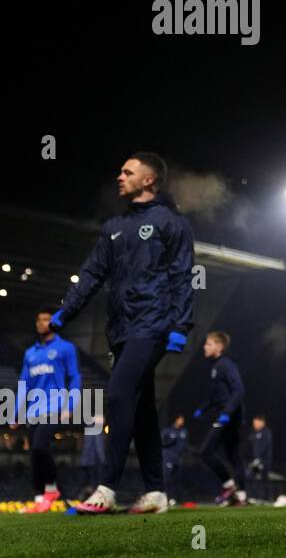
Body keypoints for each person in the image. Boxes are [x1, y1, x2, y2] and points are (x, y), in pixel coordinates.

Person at [52, 151, 194, 515]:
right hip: (121, 327)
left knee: (117, 395)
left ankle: (107, 487)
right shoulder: (114, 226)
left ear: (148, 180)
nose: (119, 176)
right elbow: (91, 274)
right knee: (142, 408)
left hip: (154, 324)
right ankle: (156, 492)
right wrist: (66, 311)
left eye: (127, 171)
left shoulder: (171, 222)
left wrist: (180, 325)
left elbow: (182, 277)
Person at [18, 306, 82, 512]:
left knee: (39, 446)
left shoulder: (65, 348)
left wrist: (71, 404)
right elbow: (24, 384)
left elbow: (75, 376)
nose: (41, 323)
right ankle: (39, 499)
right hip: (32, 411)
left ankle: (52, 488)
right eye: (39, 320)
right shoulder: (30, 353)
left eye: (45, 319)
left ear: (53, 322)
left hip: (54, 406)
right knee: (34, 455)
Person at [194, 331, 248, 506]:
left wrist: (226, 412)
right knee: (233, 455)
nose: (204, 347)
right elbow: (215, 396)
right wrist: (203, 409)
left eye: (208, 344)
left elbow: (239, 390)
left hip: (229, 417)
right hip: (224, 414)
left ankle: (230, 486)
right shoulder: (216, 366)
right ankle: (241, 495)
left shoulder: (226, 365)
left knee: (205, 452)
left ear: (219, 347)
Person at [161, 414, 188, 505]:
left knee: (176, 479)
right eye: (180, 420)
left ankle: (174, 498)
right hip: (168, 458)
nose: (182, 422)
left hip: (178, 459)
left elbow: (184, 445)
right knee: (167, 478)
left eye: (183, 420)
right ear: (175, 420)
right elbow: (161, 443)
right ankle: (165, 497)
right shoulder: (167, 431)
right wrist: (169, 440)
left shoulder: (184, 431)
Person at [248, 415, 273, 502]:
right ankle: (253, 497)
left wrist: (259, 458)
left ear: (262, 422)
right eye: (254, 423)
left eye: (256, 423)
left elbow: (265, 447)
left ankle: (265, 498)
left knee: (263, 479)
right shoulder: (253, 433)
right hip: (255, 460)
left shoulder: (266, 433)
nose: (255, 425)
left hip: (264, 461)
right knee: (251, 477)